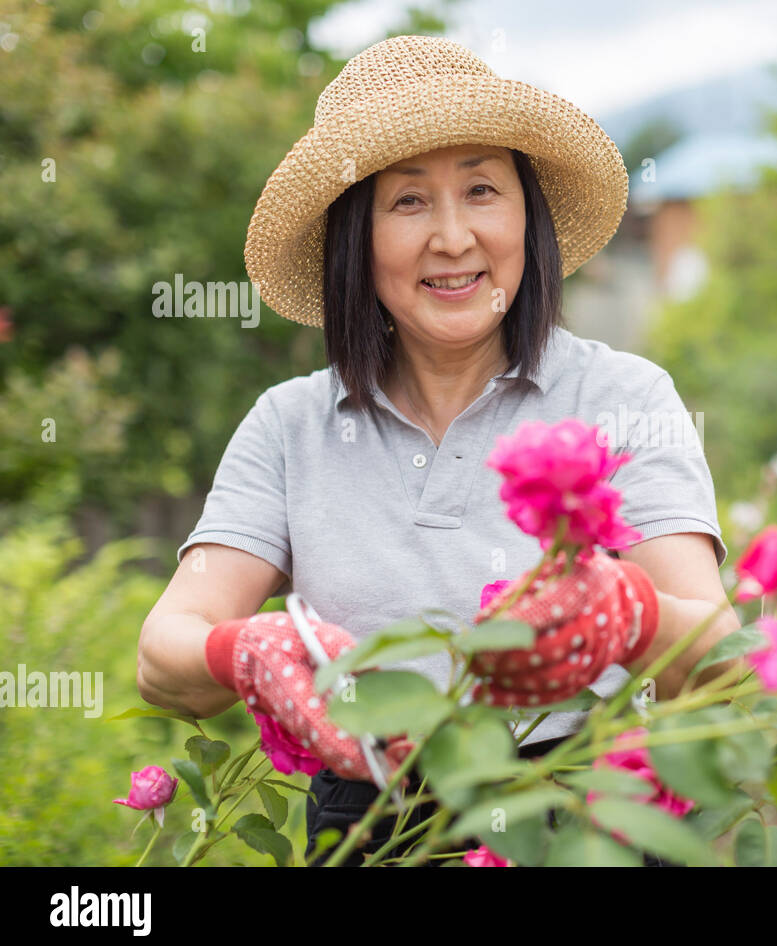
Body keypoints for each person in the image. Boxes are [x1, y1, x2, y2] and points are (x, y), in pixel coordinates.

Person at [136, 35, 740, 866]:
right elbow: (163, 656)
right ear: (357, 237)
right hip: (369, 825)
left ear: (527, 214)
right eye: (409, 202)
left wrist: (628, 615)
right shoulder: (291, 426)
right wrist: (240, 651)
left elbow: (716, 655)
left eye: (483, 189)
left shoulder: (625, 400)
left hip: (580, 818)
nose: (454, 238)